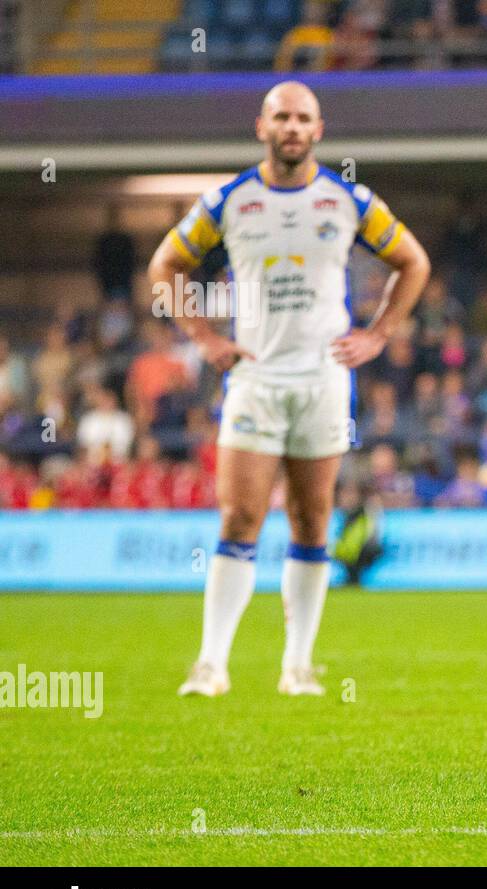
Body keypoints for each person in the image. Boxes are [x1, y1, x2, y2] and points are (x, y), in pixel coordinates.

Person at [149, 81, 430, 697]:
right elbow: (164, 266)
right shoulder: (229, 201)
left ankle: (297, 665)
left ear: (319, 130)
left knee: (311, 520)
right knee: (240, 516)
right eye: (282, 117)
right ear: (262, 127)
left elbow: (414, 261)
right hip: (255, 379)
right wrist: (203, 339)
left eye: (303, 118)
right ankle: (212, 664)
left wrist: (379, 335)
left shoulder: (348, 200)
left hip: (324, 380)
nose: (293, 127)